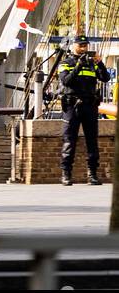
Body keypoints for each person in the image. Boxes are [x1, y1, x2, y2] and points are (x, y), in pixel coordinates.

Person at [59, 33, 110, 185]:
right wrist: (78, 65)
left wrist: (100, 63)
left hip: (89, 106)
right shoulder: (66, 63)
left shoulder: (92, 64)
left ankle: (92, 174)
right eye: (80, 45)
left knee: (92, 141)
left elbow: (105, 78)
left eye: (85, 45)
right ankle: (66, 174)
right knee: (69, 141)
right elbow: (66, 81)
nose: (83, 48)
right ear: (73, 46)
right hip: (72, 106)